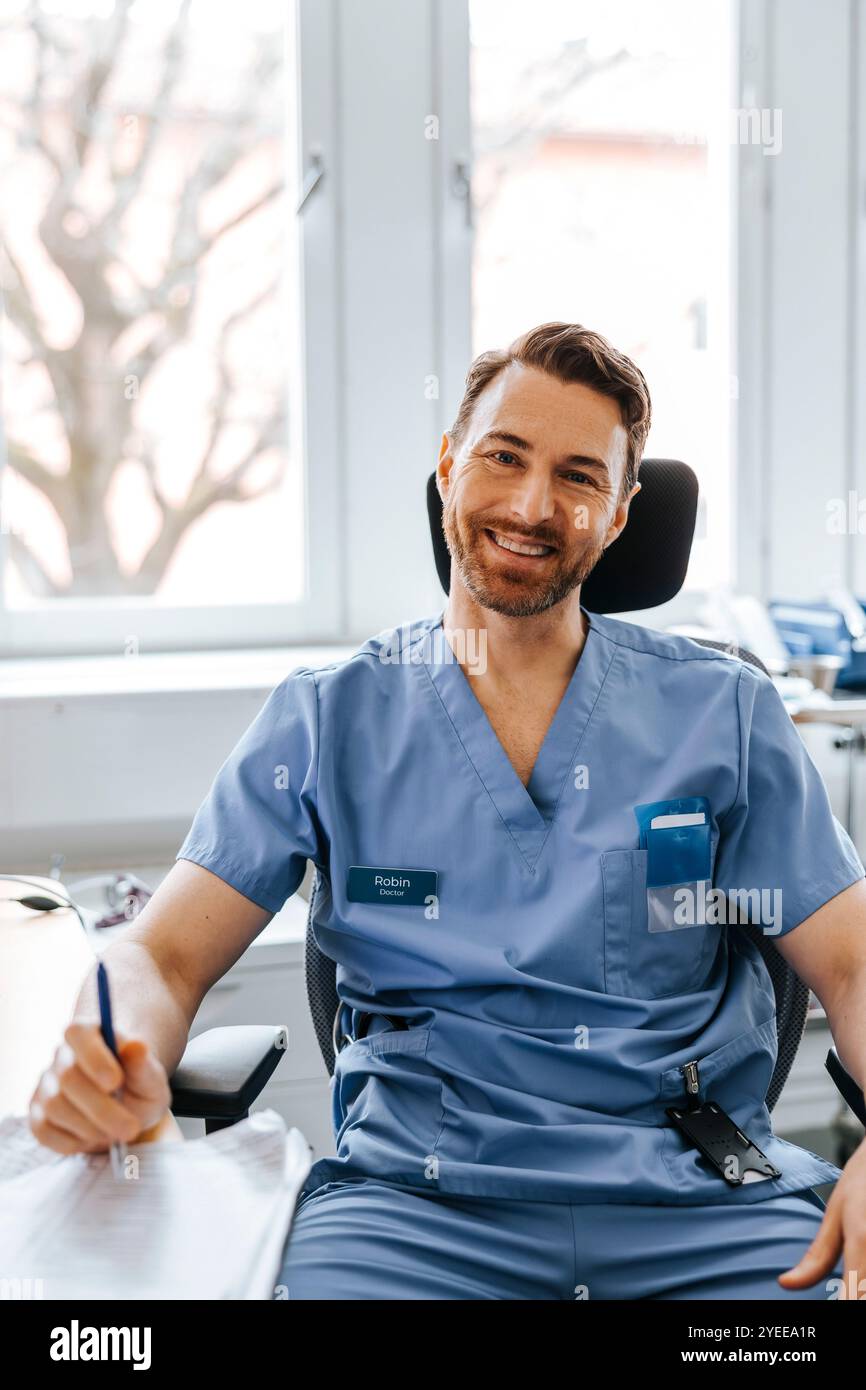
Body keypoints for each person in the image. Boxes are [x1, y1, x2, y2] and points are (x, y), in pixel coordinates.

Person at [30, 323, 866, 1300]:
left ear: (618, 514)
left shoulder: (723, 711)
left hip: (698, 1197)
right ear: (447, 466)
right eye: (502, 457)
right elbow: (159, 955)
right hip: (412, 1212)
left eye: (576, 477)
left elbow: (849, 965)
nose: (528, 504)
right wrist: (113, 1047)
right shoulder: (328, 716)